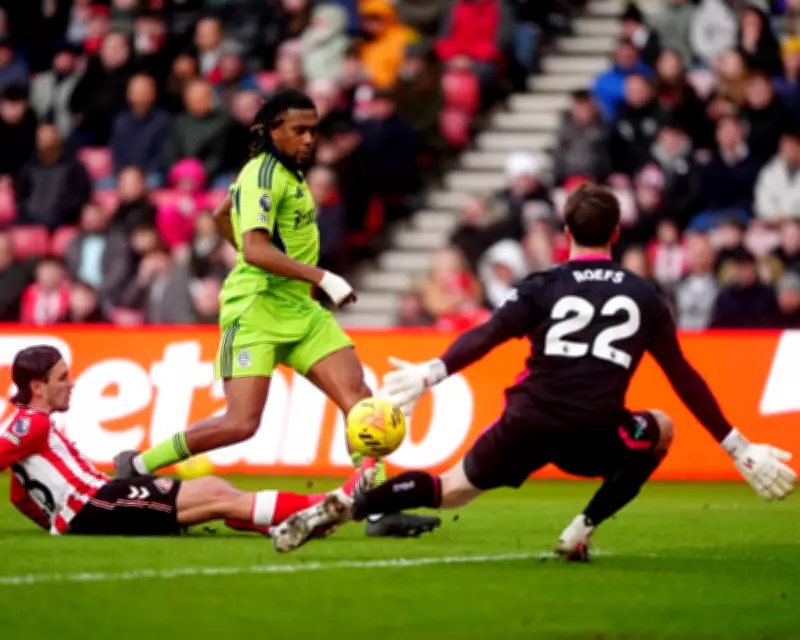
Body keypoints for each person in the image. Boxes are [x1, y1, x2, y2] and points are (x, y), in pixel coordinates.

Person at [272, 185, 797, 558]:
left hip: (528, 419)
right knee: (660, 426)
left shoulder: (543, 284)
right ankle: (583, 527)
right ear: (616, 232)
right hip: (595, 431)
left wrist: (432, 373)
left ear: (567, 231)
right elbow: (684, 376)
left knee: (451, 487)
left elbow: (488, 334)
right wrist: (737, 446)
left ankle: (344, 504)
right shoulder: (645, 295)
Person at [114, 89, 440, 539]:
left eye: (313, 130)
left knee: (362, 405)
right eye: (299, 130)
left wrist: (286, 273)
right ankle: (137, 464)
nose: (309, 139)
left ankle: (378, 509)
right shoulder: (262, 174)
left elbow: (221, 214)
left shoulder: (288, 172)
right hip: (256, 310)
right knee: (241, 423)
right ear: (271, 131)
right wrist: (321, 277)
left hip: (300, 309)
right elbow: (254, 246)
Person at [3, 345, 374, 538]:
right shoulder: (29, 426)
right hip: (98, 503)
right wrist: (69, 518)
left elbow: (18, 495)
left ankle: (307, 519)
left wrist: (58, 520)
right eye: (62, 377)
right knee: (214, 496)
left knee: (213, 496)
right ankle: (328, 507)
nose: (72, 382)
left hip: (99, 499)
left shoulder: (28, 424)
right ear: (38, 387)